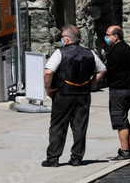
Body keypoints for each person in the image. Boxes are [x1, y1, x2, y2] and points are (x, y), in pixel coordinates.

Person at [42, 25, 106, 167]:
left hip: (63, 93)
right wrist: (91, 84)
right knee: (80, 126)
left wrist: (48, 89)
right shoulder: (90, 53)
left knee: (58, 126)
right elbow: (102, 70)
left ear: (67, 39)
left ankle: (53, 158)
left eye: (63, 37)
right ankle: (76, 158)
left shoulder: (60, 53)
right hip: (82, 94)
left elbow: (48, 73)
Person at [103, 24, 130, 160]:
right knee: (124, 119)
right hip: (127, 88)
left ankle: (125, 152)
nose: (105, 37)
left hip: (119, 90)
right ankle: (129, 148)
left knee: (119, 121)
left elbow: (107, 68)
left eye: (107, 35)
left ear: (115, 37)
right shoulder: (126, 48)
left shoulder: (117, 51)